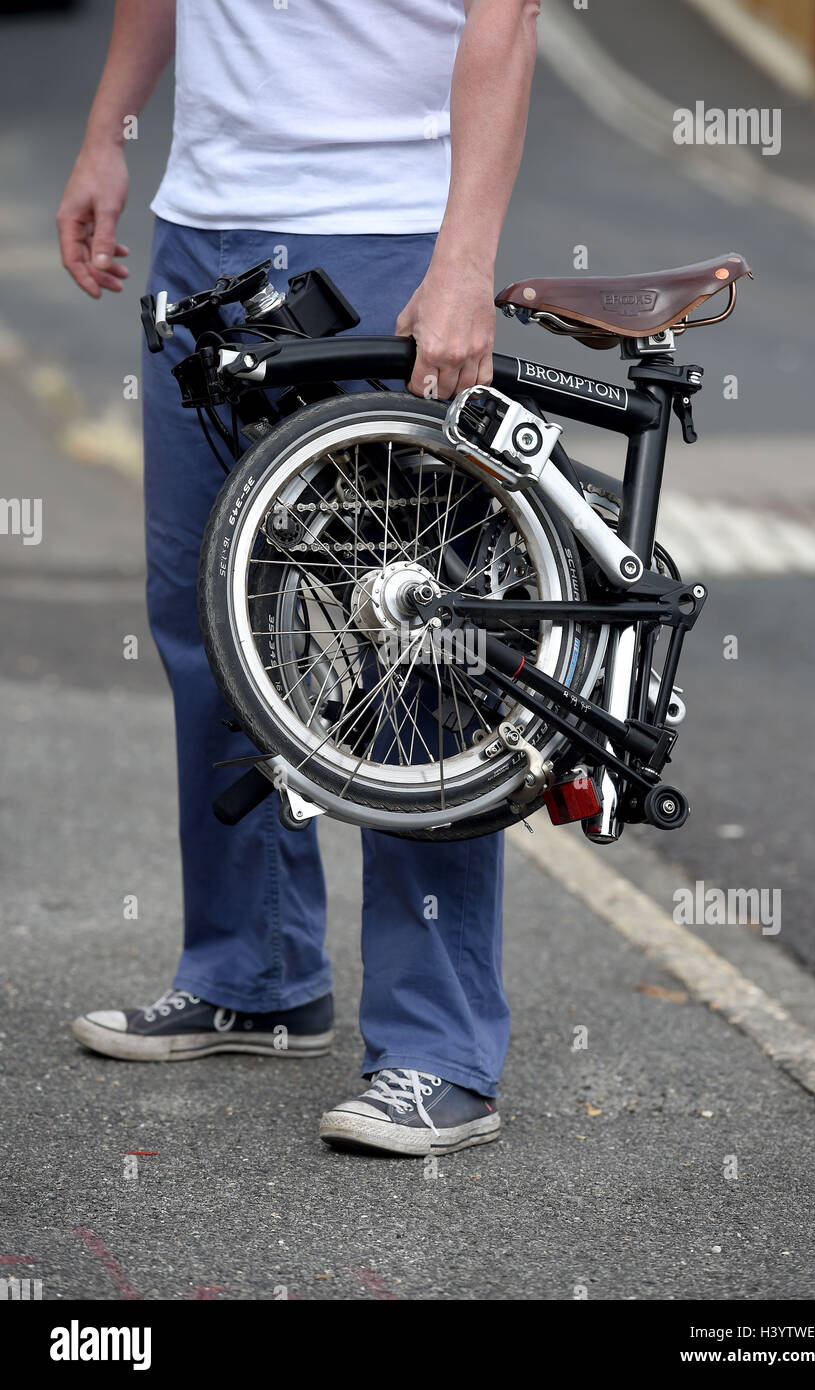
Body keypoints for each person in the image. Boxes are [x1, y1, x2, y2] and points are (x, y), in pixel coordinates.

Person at [57, 0, 541, 1157]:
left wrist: (462, 259)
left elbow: (506, 13)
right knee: (209, 620)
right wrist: (106, 134)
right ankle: (255, 972)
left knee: (417, 639)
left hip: (379, 238)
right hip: (200, 232)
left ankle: (437, 1046)